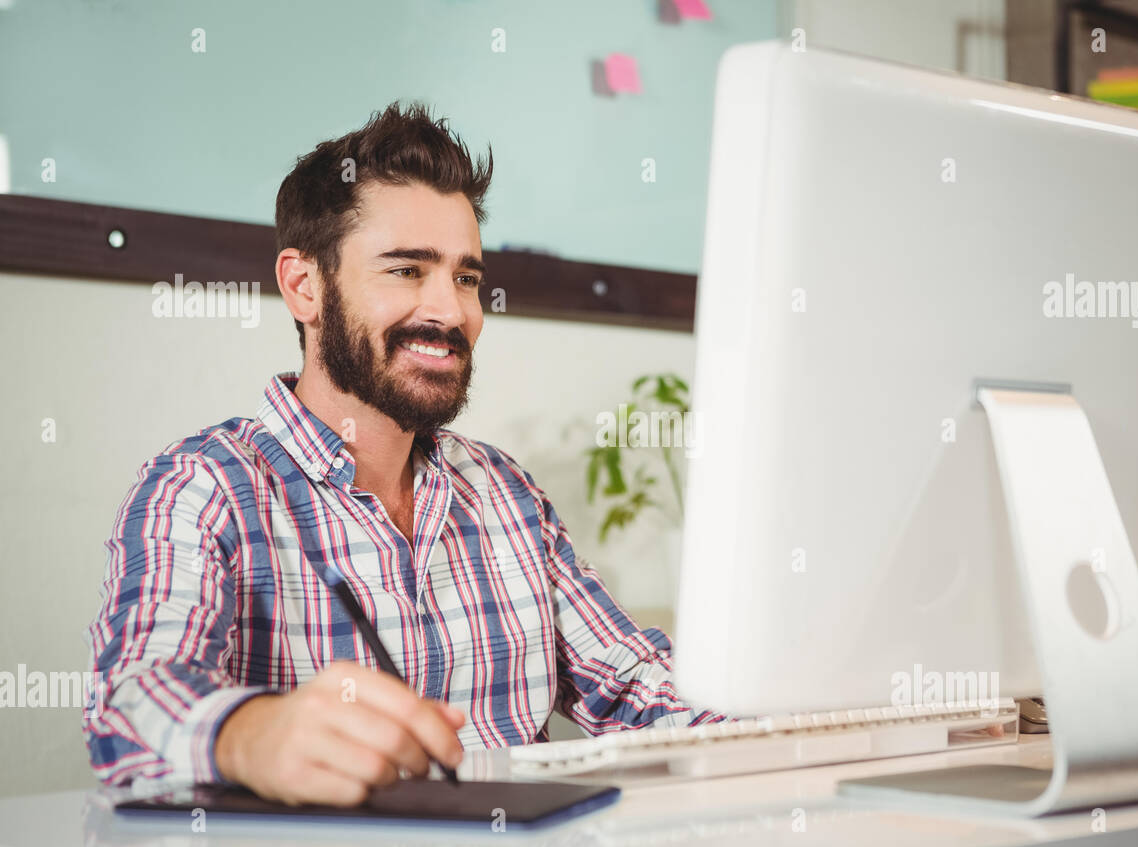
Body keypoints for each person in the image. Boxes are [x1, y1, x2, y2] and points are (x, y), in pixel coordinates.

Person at [83, 102, 727, 806]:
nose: (450, 312)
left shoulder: (504, 491)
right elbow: (129, 704)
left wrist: (789, 709)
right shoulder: (203, 488)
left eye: (467, 278)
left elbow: (634, 682)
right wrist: (250, 734)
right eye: (406, 271)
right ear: (305, 286)